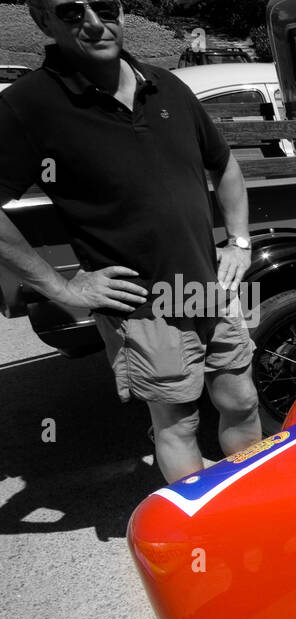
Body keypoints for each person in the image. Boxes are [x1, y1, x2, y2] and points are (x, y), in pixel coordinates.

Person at [0, 0, 261, 484]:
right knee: (179, 423)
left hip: (207, 286)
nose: (96, 23)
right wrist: (64, 289)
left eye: (105, 6)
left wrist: (239, 242)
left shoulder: (166, 84)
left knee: (242, 401)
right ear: (44, 21)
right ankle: (200, 537)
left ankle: (249, 504)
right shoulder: (29, 104)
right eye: (72, 12)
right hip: (142, 302)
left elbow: (222, 163)